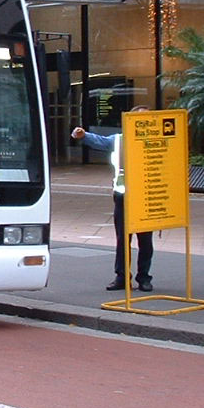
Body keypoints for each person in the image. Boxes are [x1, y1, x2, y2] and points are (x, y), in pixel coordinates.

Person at [72, 106, 154, 292]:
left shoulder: (155, 141)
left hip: (146, 196)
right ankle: (122, 277)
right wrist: (83, 135)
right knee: (123, 239)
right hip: (123, 196)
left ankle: (144, 277)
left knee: (145, 241)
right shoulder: (119, 140)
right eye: (138, 119)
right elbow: (100, 141)